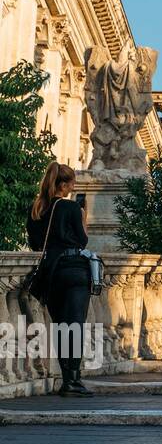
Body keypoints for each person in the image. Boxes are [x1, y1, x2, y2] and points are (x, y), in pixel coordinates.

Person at [26, 163, 95, 396]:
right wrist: (83, 216)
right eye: (72, 183)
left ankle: (67, 378)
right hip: (73, 270)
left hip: (50, 273)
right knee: (75, 324)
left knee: (60, 326)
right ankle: (72, 380)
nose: (73, 187)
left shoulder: (36, 209)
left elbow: (35, 244)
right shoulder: (71, 207)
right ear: (63, 185)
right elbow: (82, 241)